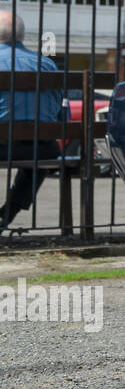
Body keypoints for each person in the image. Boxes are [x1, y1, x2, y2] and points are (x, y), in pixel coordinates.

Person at [0, 12, 64, 230]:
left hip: (1, 147)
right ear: (22, 35)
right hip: (43, 148)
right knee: (39, 150)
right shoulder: (46, 65)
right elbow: (58, 112)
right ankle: (9, 211)